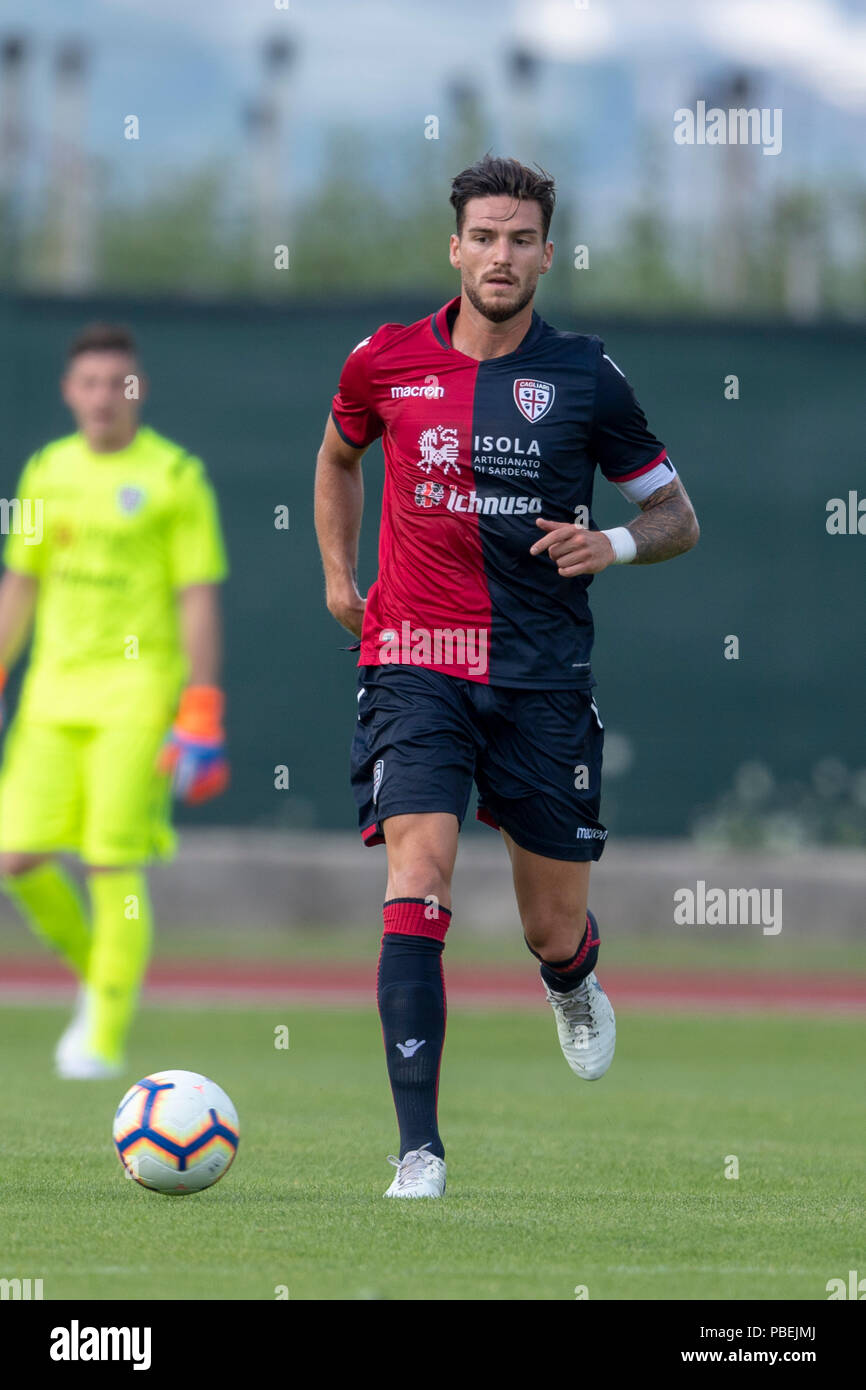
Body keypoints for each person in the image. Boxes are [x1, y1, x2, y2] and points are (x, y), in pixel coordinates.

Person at [314, 155, 699, 1197]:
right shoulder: (384, 361)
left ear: (544, 253)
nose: (499, 254)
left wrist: (610, 546)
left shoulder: (585, 374)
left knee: (547, 923)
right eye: (482, 236)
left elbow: (676, 516)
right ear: (454, 246)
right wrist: (340, 573)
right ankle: (417, 1151)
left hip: (537, 675)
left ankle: (568, 978)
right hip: (412, 660)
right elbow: (339, 453)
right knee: (418, 874)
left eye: (519, 239)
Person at [0, 322, 229, 1079]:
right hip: (50, 696)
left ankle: (101, 1033)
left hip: (138, 694)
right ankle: (103, 977)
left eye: (119, 383)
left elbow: (197, 596)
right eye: (90, 383)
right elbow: (20, 584)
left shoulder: (174, 477)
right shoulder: (44, 471)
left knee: (110, 862)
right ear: (70, 392)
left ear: (139, 390)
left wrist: (200, 706)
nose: (104, 397)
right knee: (16, 856)